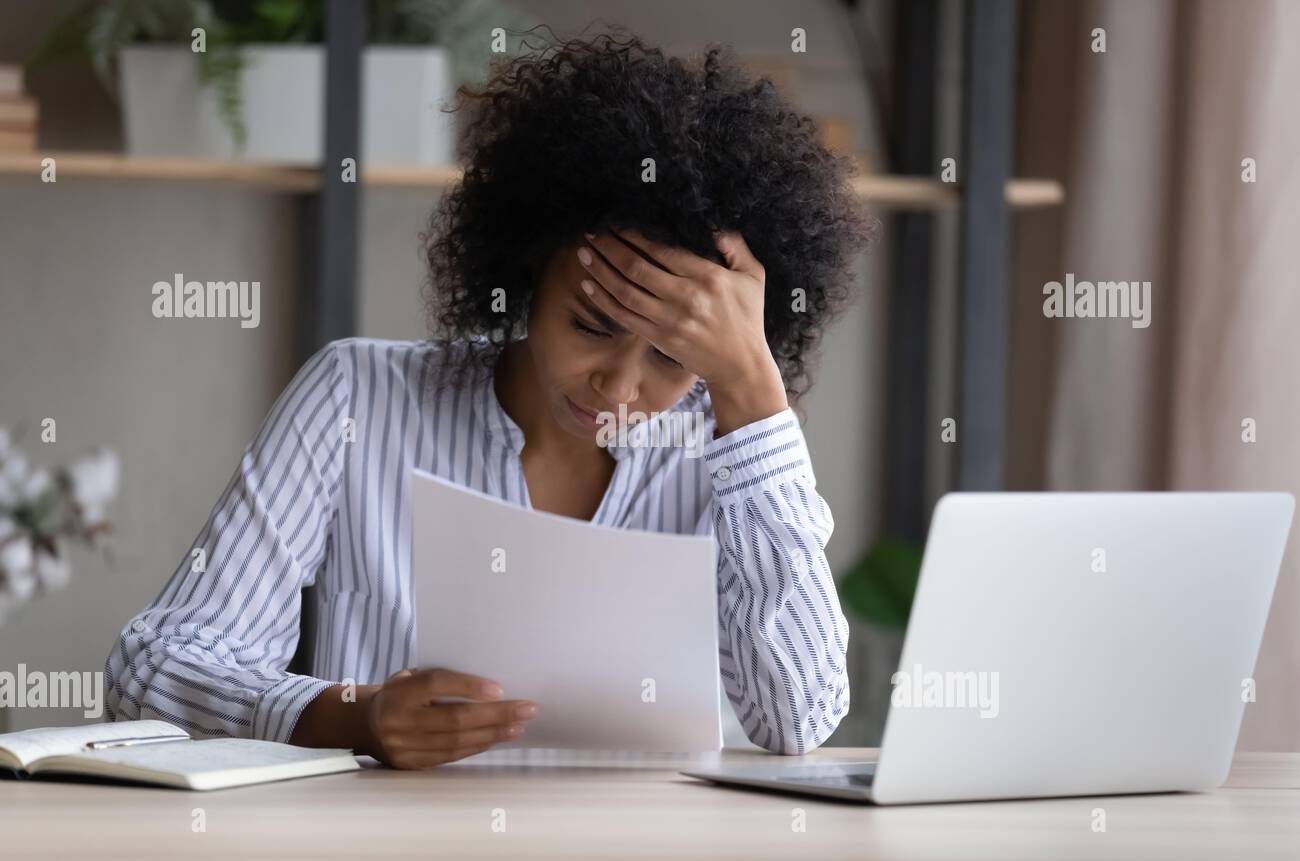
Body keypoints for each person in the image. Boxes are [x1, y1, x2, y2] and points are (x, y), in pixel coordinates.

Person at [104, 30, 876, 768]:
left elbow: (797, 720)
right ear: (529, 273)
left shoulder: (726, 451)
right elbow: (152, 670)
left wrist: (752, 393)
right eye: (592, 323)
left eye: (677, 356)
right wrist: (351, 716)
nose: (620, 385)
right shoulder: (359, 399)